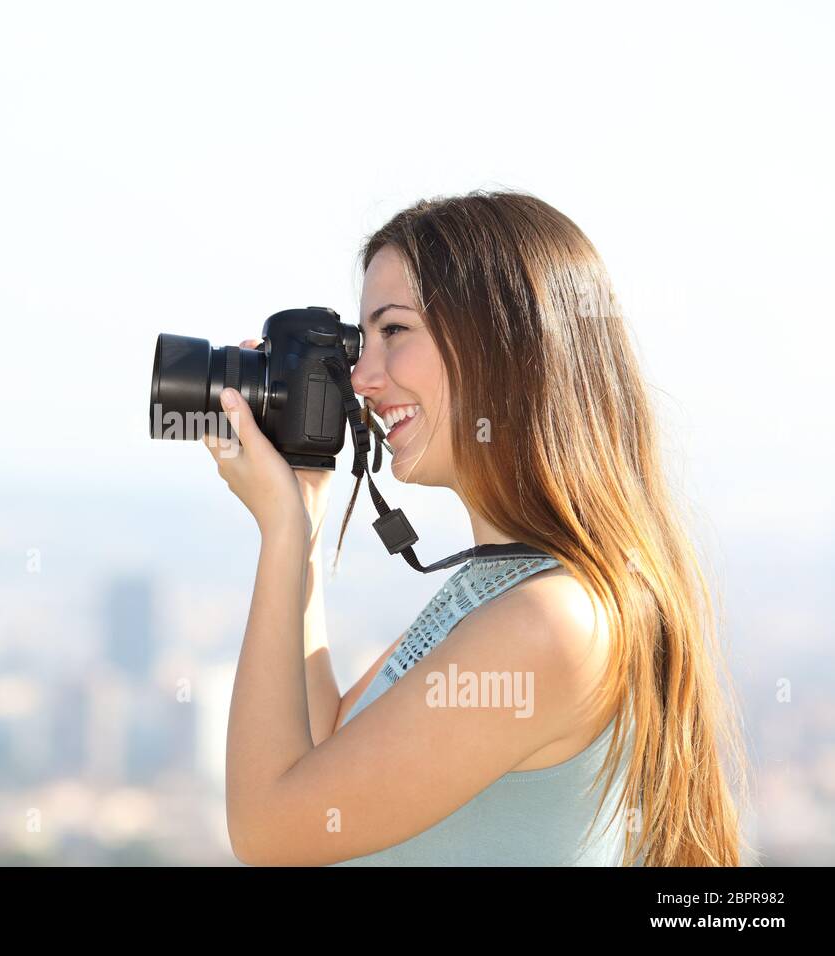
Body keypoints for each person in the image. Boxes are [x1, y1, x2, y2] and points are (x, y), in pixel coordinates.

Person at [202, 189, 750, 866]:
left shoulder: (549, 622)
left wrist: (282, 533)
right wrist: (302, 520)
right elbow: (318, 753)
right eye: (358, 340)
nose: (362, 380)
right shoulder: (501, 587)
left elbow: (270, 833)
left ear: (507, 345)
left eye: (393, 332)